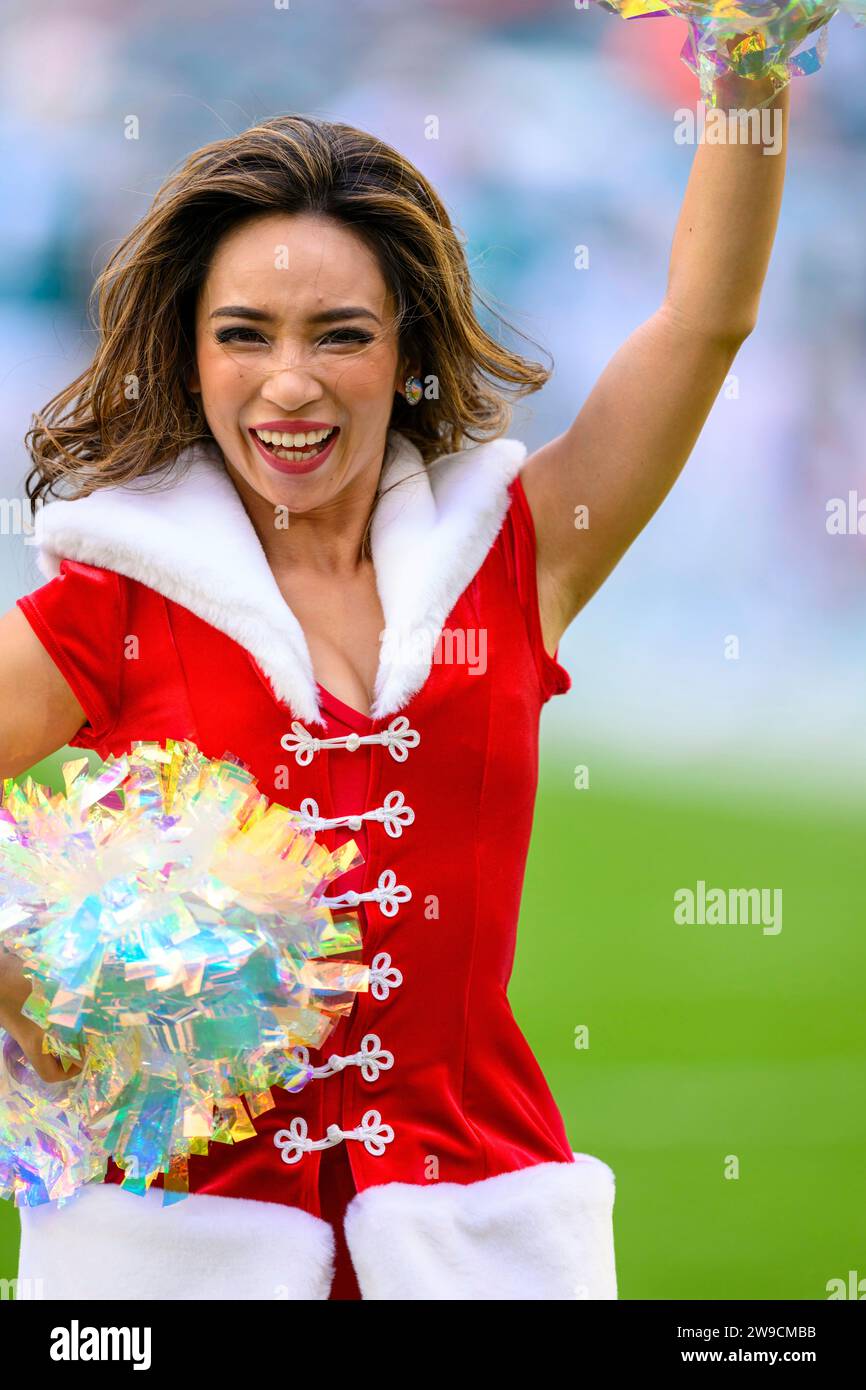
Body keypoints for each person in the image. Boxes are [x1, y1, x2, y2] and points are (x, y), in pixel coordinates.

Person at [0, 86, 788, 1299]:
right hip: (180, 1255)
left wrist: (746, 76)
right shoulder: (117, 600)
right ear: (188, 352)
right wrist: (52, 993)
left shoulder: (518, 558)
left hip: (482, 1236)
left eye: (342, 334)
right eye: (244, 333)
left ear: (408, 348)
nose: (290, 382)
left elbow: (701, 323)